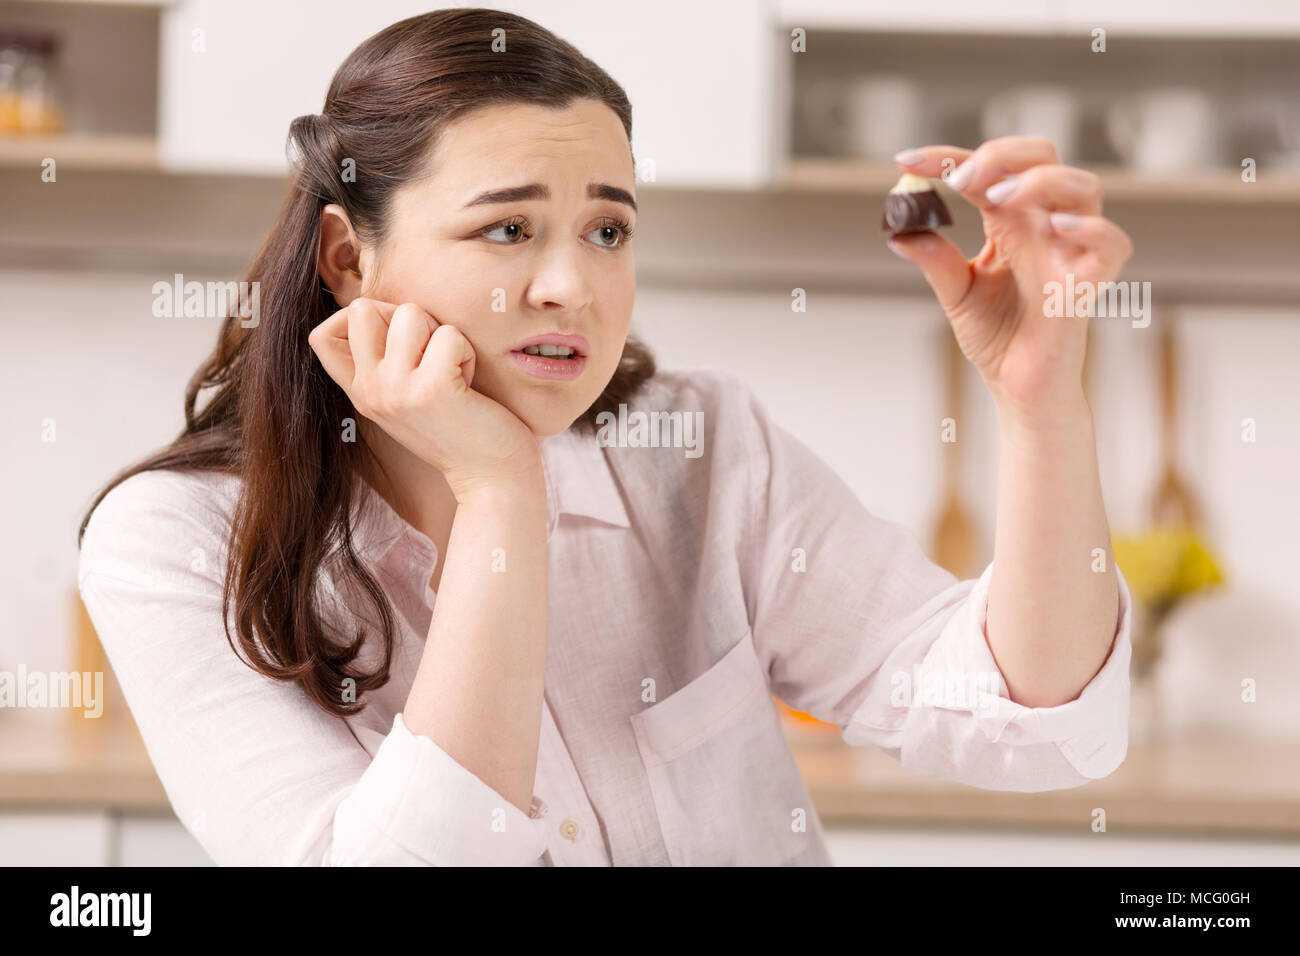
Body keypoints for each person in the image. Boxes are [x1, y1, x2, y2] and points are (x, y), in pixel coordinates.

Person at [77, 8, 1133, 866]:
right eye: (507, 227)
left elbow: (1032, 722)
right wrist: (499, 493)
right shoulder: (175, 541)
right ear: (350, 260)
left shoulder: (698, 447)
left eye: (608, 230)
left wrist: (1041, 404)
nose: (571, 287)